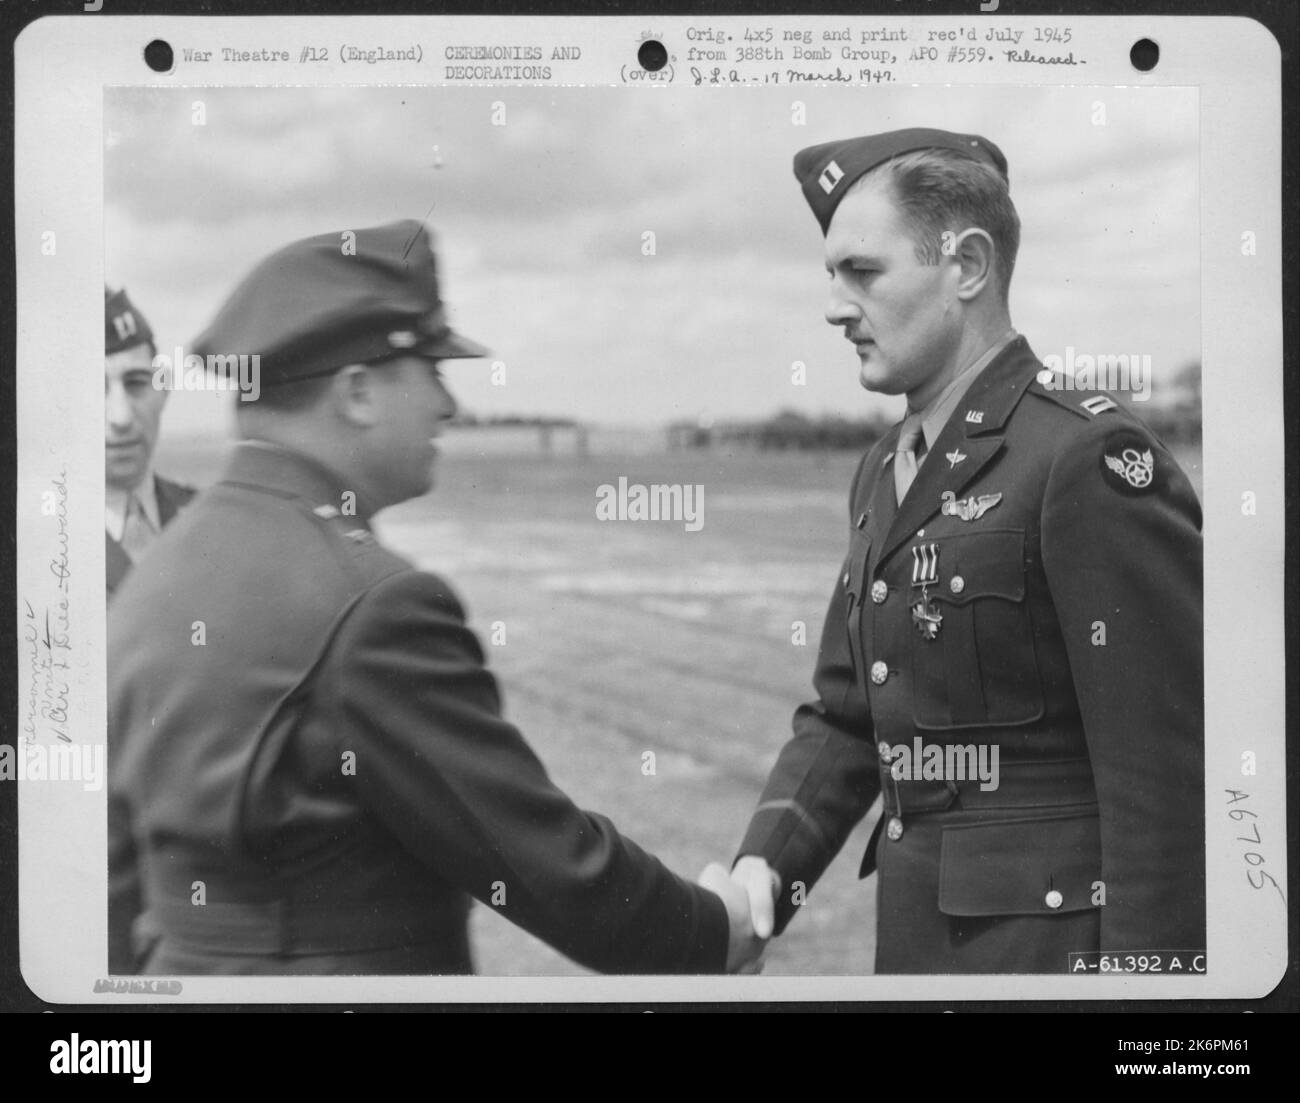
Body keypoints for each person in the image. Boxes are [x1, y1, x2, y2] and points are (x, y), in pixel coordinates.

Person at [107, 220, 756, 976]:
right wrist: (714, 928)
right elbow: (547, 865)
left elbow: (122, 879)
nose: (448, 406)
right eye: (431, 371)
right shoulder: (374, 605)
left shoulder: (157, 571)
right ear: (357, 392)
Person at [727, 128, 1205, 973]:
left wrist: (1152, 1026)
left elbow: (1169, 783)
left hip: (1052, 965)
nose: (835, 307)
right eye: (831, 276)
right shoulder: (884, 469)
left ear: (969, 266)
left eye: (862, 273)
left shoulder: (1080, 459)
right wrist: (763, 875)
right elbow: (849, 717)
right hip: (917, 951)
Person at [104, 287, 195, 599]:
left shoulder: (208, 519)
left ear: (164, 387)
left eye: (137, 383)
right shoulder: (33, 542)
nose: (121, 417)